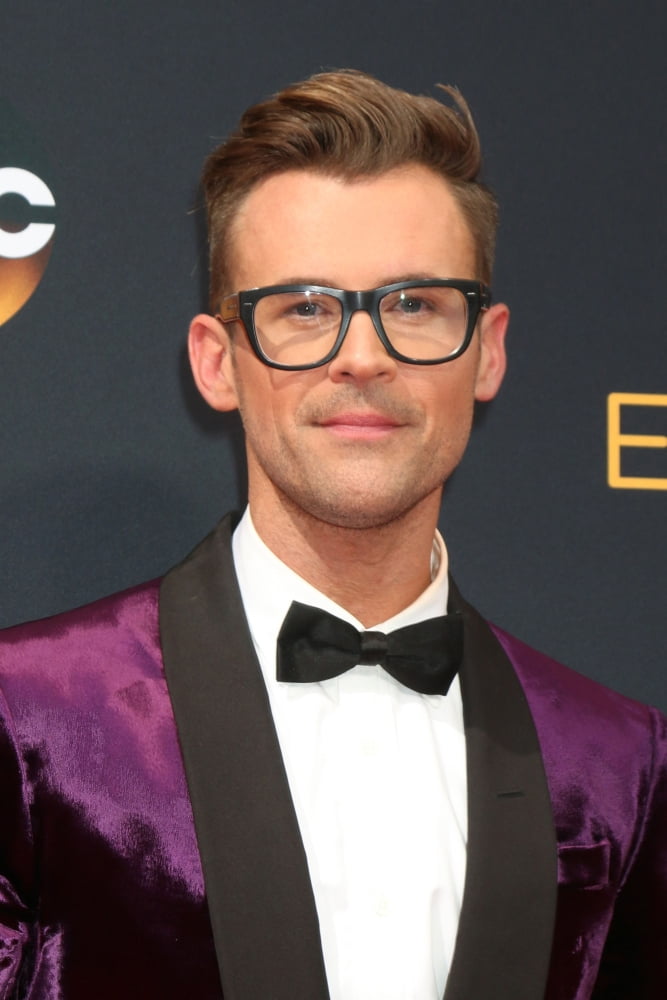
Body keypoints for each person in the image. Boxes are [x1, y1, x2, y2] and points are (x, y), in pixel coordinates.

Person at [0, 69, 664, 1000]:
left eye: (414, 305)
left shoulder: (618, 759)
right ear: (218, 361)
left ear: (488, 350)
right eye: (305, 309)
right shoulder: (26, 722)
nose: (362, 355)